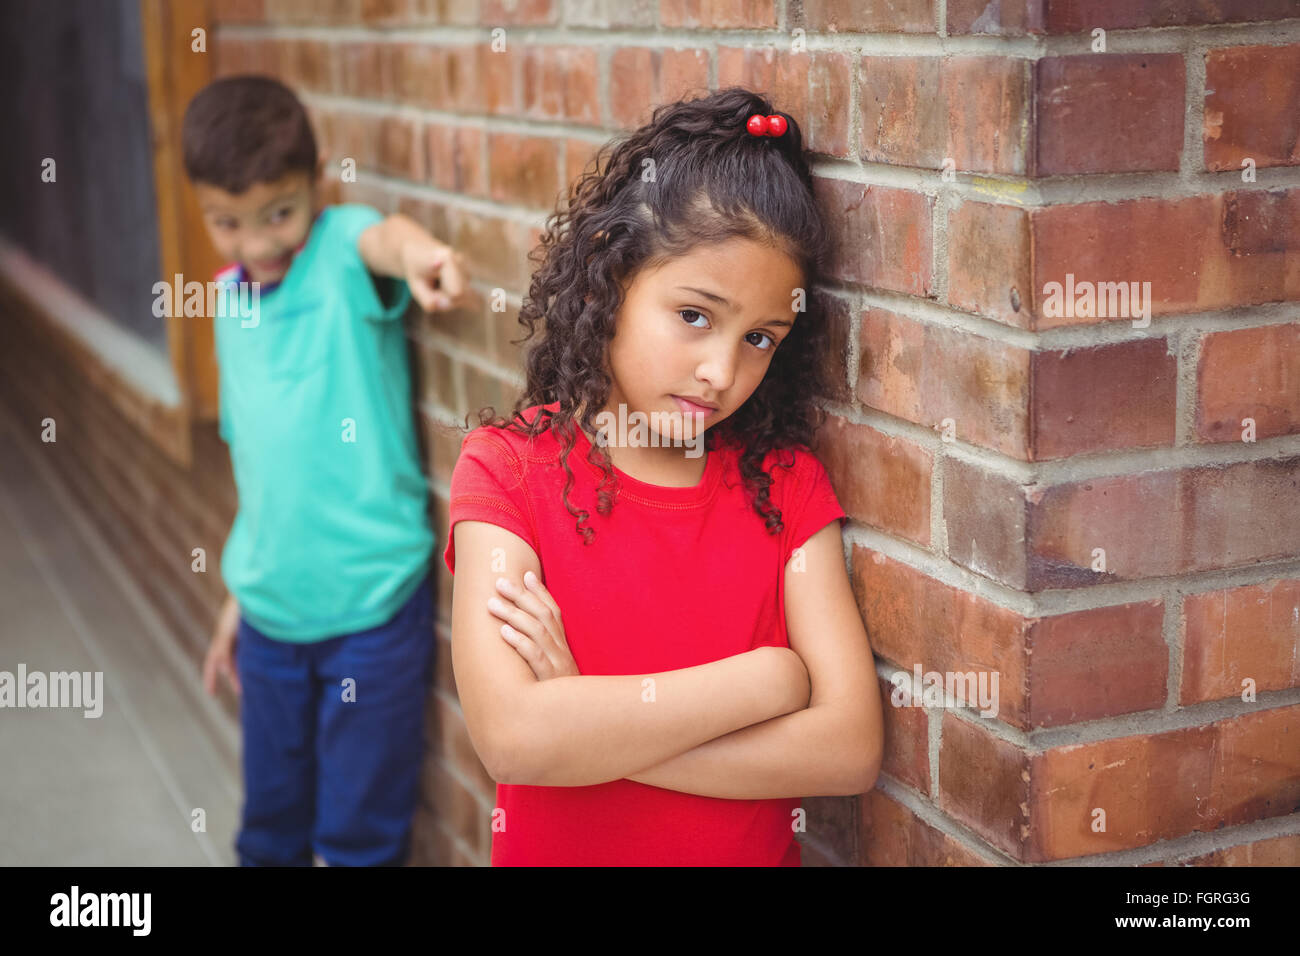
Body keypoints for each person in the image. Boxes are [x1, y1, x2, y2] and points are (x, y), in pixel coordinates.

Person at [444, 87, 884, 866]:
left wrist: (590, 732)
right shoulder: (508, 471)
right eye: (694, 315)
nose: (722, 370)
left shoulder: (786, 487)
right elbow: (513, 739)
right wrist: (768, 680)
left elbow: (848, 749)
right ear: (604, 285)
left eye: (760, 337)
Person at [186, 75, 471, 866]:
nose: (258, 244)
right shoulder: (226, 303)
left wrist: (425, 257)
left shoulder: (340, 252)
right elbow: (264, 472)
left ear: (317, 186)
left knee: (358, 836)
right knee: (269, 829)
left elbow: (388, 239)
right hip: (271, 617)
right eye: (227, 223)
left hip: (371, 614)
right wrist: (236, 598)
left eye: (278, 213)